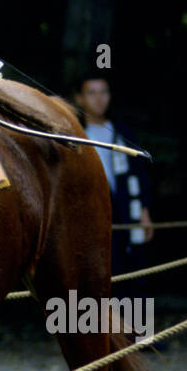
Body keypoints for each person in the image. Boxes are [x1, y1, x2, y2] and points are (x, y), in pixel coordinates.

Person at [75, 75, 154, 282]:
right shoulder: (75, 134)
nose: (99, 99)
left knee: (131, 265)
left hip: (125, 207)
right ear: (80, 98)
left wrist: (144, 211)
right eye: (91, 93)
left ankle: (131, 312)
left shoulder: (122, 132)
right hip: (91, 210)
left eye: (103, 92)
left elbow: (139, 173)